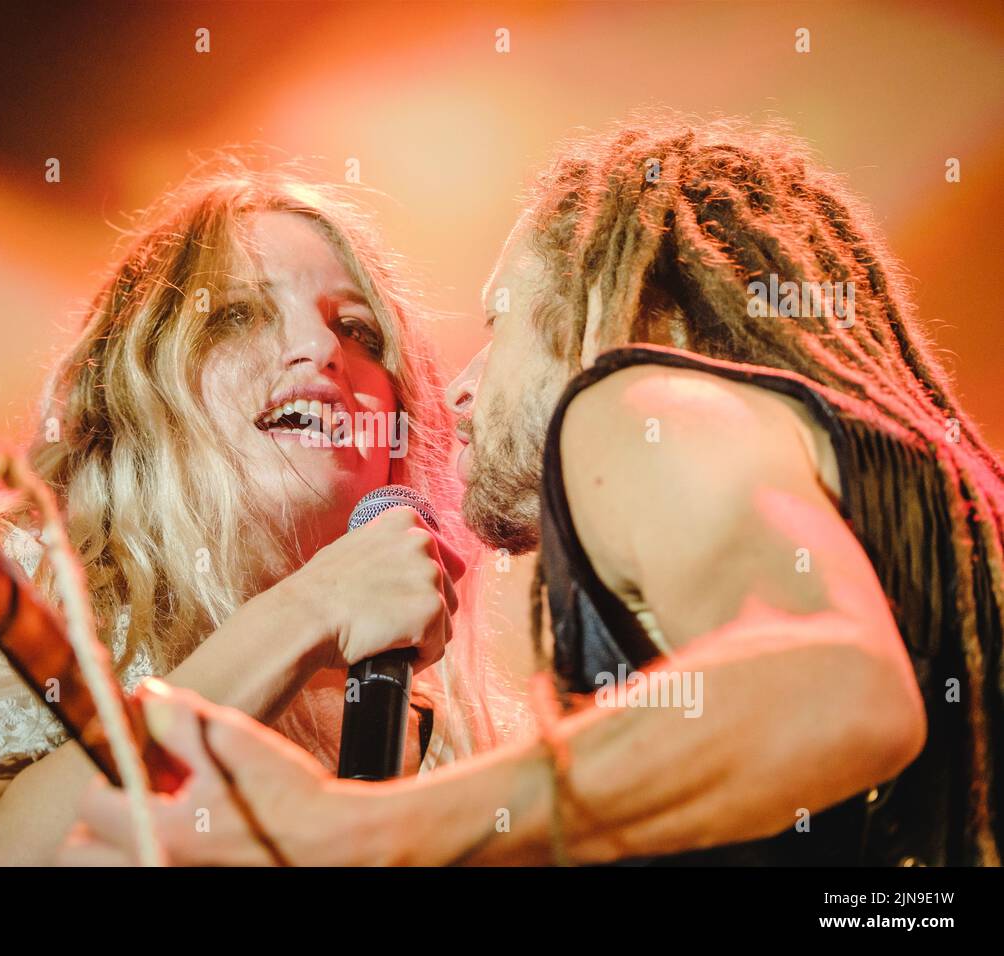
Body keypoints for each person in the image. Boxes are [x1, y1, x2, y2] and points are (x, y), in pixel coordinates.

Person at [62, 114, 1004, 867]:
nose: (460, 391)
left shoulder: (634, 407)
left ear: (622, 310)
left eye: (500, 320)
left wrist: (363, 832)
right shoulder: (918, 495)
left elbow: (833, 689)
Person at [0, 159, 518, 866]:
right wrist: (309, 609)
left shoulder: (463, 738)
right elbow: (1, 857)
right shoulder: (35, 582)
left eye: (357, 330)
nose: (320, 347)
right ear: (137, 389)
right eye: (237, 315)